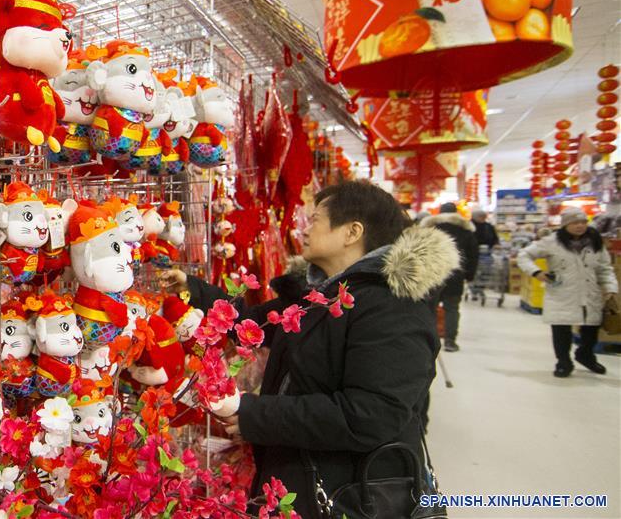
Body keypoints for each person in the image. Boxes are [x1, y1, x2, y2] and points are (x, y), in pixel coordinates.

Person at [160, 181, 459, 519]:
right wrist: (194, 289)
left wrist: (255, 414)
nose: (303, 228)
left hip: (352, 493)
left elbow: (371, 414)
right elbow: (254, 325)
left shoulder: (392, 306)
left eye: (314, 219)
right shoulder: (324, 294)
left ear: (352, 232)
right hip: (305, 477)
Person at [516, 208, 618, 377]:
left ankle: (585, 355)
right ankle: (563, 361)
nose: (580, 226)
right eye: (575, 222)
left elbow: (604, 269)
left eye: (583, 222)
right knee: (561, 328)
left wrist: (611, 288)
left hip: (589, 291)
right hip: (561, 292)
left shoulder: (595, 242)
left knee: (591, 328)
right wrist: (536, 272)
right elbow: (524, 255)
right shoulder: (551, 241)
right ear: (565, 225)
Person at [420, 203, 479, 352]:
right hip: (455, 275)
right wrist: (469, 275)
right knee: (452, 308)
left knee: (429, 308)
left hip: (432, 275)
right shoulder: (465, 231)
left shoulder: (429, 229)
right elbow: (473, 256)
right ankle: (450, 341)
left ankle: (428, 341)